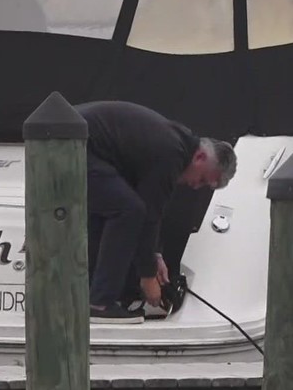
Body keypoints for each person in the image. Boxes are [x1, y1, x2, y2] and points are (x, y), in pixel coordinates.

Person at [76, 101, 237, 324]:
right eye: (201, 179)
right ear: (200, 157)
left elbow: (150, 209)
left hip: (79, 139)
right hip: (74, 142)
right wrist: (148, 276)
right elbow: (147, 214)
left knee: (116, 210)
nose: (195, 186)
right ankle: (100, 303)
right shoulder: (172, 154)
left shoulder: (175, 143)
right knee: (128, 210)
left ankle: (92, 298)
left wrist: (155, 255)